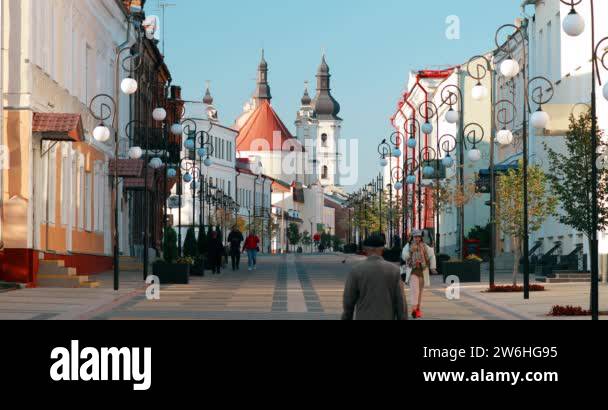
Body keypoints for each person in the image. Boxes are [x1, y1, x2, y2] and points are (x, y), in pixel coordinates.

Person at [342, 233, 408, 321]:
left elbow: (348, 301)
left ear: (365, 249)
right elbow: (401, 303)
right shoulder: (394, 270)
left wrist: (346, 317)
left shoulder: (356, 271)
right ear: (382, 249)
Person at [401, 230, 436, 319]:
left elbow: (432, 255)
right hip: (413, 271)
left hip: (422, 271)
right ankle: (413, 310)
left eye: (419, 237)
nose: (417, 238)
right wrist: (410, 252)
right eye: (415, 237)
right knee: (415, 291)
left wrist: (432, 267)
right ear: (412, 237)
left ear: (421, 238)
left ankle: (417, 309)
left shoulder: (424, 246)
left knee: (420, 292)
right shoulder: (408, 245)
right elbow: (404, 255)